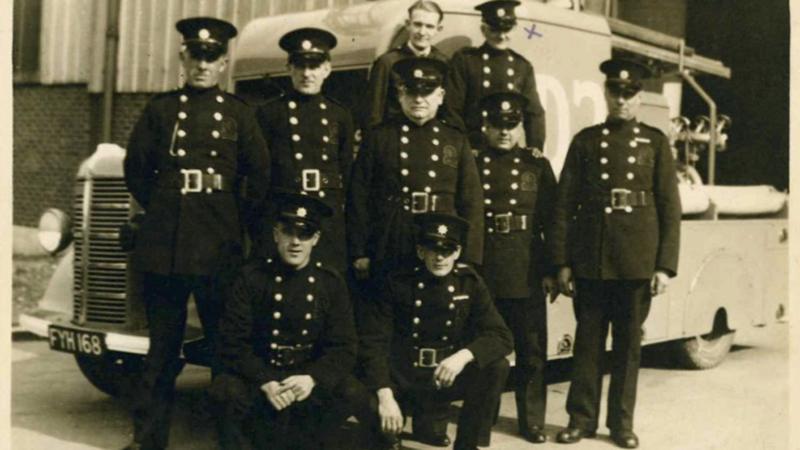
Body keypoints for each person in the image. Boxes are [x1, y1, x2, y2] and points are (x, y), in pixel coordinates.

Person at [121, 17, 270, 450]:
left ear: (224, 63)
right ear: (183, 58)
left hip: (218, 245)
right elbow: (137, 170)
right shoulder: (162, 109)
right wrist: (166, 204)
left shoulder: (239, 115)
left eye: (212, 57)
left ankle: (231, 441)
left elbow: (258, 176)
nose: (202, 64)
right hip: (166, 245)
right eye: (195, 56)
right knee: (160, 355)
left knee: (225, 351)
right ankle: (148, 441)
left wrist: (234, 219)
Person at [550, 58, 682, 449]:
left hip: (635, 261)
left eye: (629, 93)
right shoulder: (586, 141)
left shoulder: (656, 143)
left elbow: (669, 207)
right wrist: (562, 261)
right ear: (606, 93)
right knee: (587, 344)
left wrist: (664, 266)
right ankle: (580, 419)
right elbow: (563, 205)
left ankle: (621, 424)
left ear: (639, 97)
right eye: (615, 92)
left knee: (628, 349)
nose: (621, 100)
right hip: (592, 260)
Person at [350, 212, 512, 450]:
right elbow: (374, 343)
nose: (440, 258)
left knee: (496, 367)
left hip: (441, 379)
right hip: (402, 379)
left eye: (447, 251)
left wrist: (462, 357)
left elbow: (502, 336)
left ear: (457, 253)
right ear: (420, 252)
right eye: (433, 250)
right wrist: (385, 396)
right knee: (381, 432)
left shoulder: (469, 282)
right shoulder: (396, 283)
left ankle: (468, 445)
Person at [210, 191, 358, 450]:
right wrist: (265, 380)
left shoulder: (330, 282)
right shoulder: (252, 278)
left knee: (353, 393)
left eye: (304, 235)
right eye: (288, 232)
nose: (295, 242)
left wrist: (312, 378)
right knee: (224, 391)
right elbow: (232, 342)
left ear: (316, 239)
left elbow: (344, 347)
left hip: (303, 380)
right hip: (263, 376)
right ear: (276, 234)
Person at [348, 56, 484, 285]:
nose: (419, 100)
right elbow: (359, 197)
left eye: (427, 93)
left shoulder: (455, 139)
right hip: (392, 237)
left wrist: (468, 256)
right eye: (411, 93)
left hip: (440, 240)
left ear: (440, 96)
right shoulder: (380, 137)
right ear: (400, 95)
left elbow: (471, 200)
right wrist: (359, 251)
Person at [475, 91, 557, 444]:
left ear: (521, 126)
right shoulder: (473, 163)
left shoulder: (536, 165)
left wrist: (553, 268)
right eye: (496, 125)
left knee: (531, 350)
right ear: (485, 127)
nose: (504, 132)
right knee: (485, 346)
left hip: (526, 267)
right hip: (486, 268)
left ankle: (532, 420)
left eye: (511, 125)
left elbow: (553, 219)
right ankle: (483, 414)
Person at [255, 27, 354, 275]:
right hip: (285, 214)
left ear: (327, 69)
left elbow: (348, 172)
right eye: (300, 65)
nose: (307, 73)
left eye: (314, 66)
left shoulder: (339, 115)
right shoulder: (269, 113)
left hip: (325, 218)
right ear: (289, 68)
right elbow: (257, 174)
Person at [446, 0, 546, 150]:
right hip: (473, 150)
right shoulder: (466, 61)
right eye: (495, 30)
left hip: (507, 153)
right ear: (483, 30)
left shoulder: (522, 67)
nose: (501, 36)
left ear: (514, 29)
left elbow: (534, 114)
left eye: (507, 30)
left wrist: (535, 148)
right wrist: (462, 149)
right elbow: (452, 109)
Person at [364, 0, 448, 129]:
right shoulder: (387, 62)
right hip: (395, 136)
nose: (422, 32)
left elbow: (447, 110)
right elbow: (374, 112)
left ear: (439, 29)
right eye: (417, 24)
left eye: (429, 26)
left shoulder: (443, 63)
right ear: (408, 24)